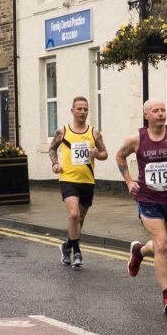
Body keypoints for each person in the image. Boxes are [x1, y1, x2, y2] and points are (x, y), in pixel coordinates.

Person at [117, 99, 167, 315]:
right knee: (161, 244)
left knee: (160, 245)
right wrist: (129, 182)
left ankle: (139, 252)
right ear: (146, 115)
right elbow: (120, 156)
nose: (161, 114)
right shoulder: (136, 139)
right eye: (156, 111)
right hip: (148, 198)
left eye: (163, 110)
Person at [49, 97, 108, 269]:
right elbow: (52, 148)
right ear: (72, 111)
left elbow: (105, 154)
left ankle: (66, 246)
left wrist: (98, 153)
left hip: (87, 180)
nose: (82, 112)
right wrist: (55, 163)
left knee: (80, 219)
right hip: (68, 179)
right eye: (79, 109)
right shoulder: (63, 131)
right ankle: (77, 252)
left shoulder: (94, 133)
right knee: (74, 214)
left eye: (85, 109)